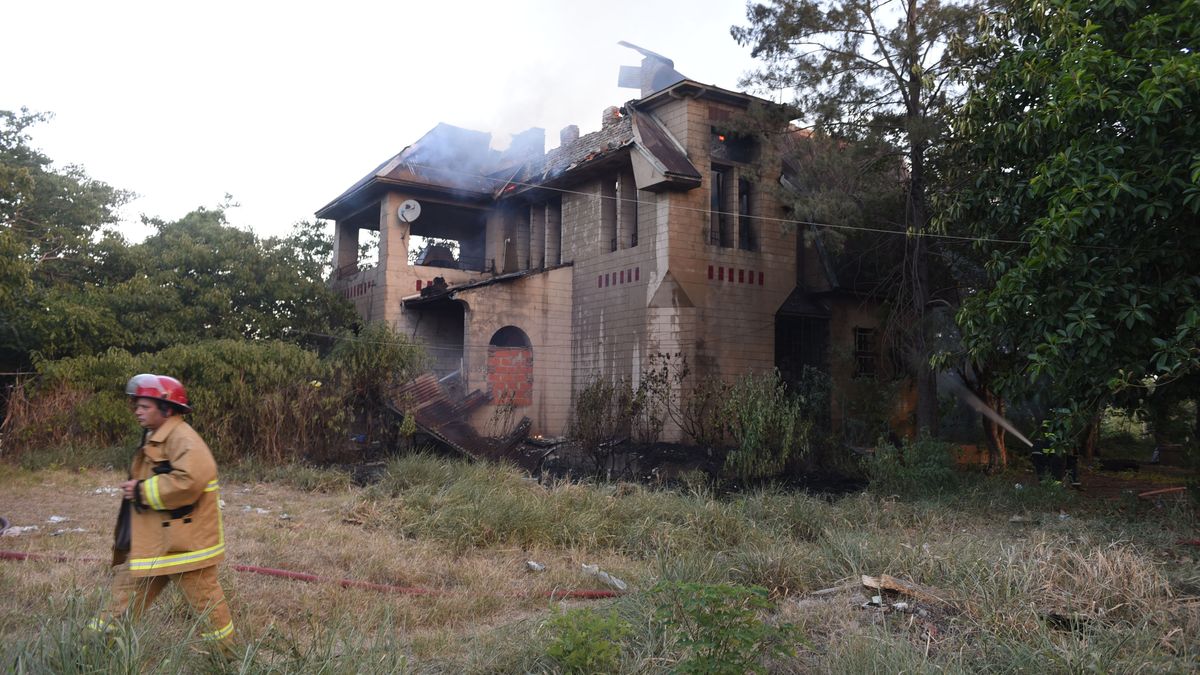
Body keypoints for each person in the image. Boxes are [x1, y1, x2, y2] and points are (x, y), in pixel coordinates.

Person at [88, 374, 235, 654]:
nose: (137, 411)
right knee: (123, 597)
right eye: (137, 406)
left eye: (144, 406)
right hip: (158, 543)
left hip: (186, 546)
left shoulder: (184, 439)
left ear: (166, 408)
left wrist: (142, 491)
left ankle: (227, 660)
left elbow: (190, 480)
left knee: (208, 609)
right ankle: (93, 653)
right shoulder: (159, 436)